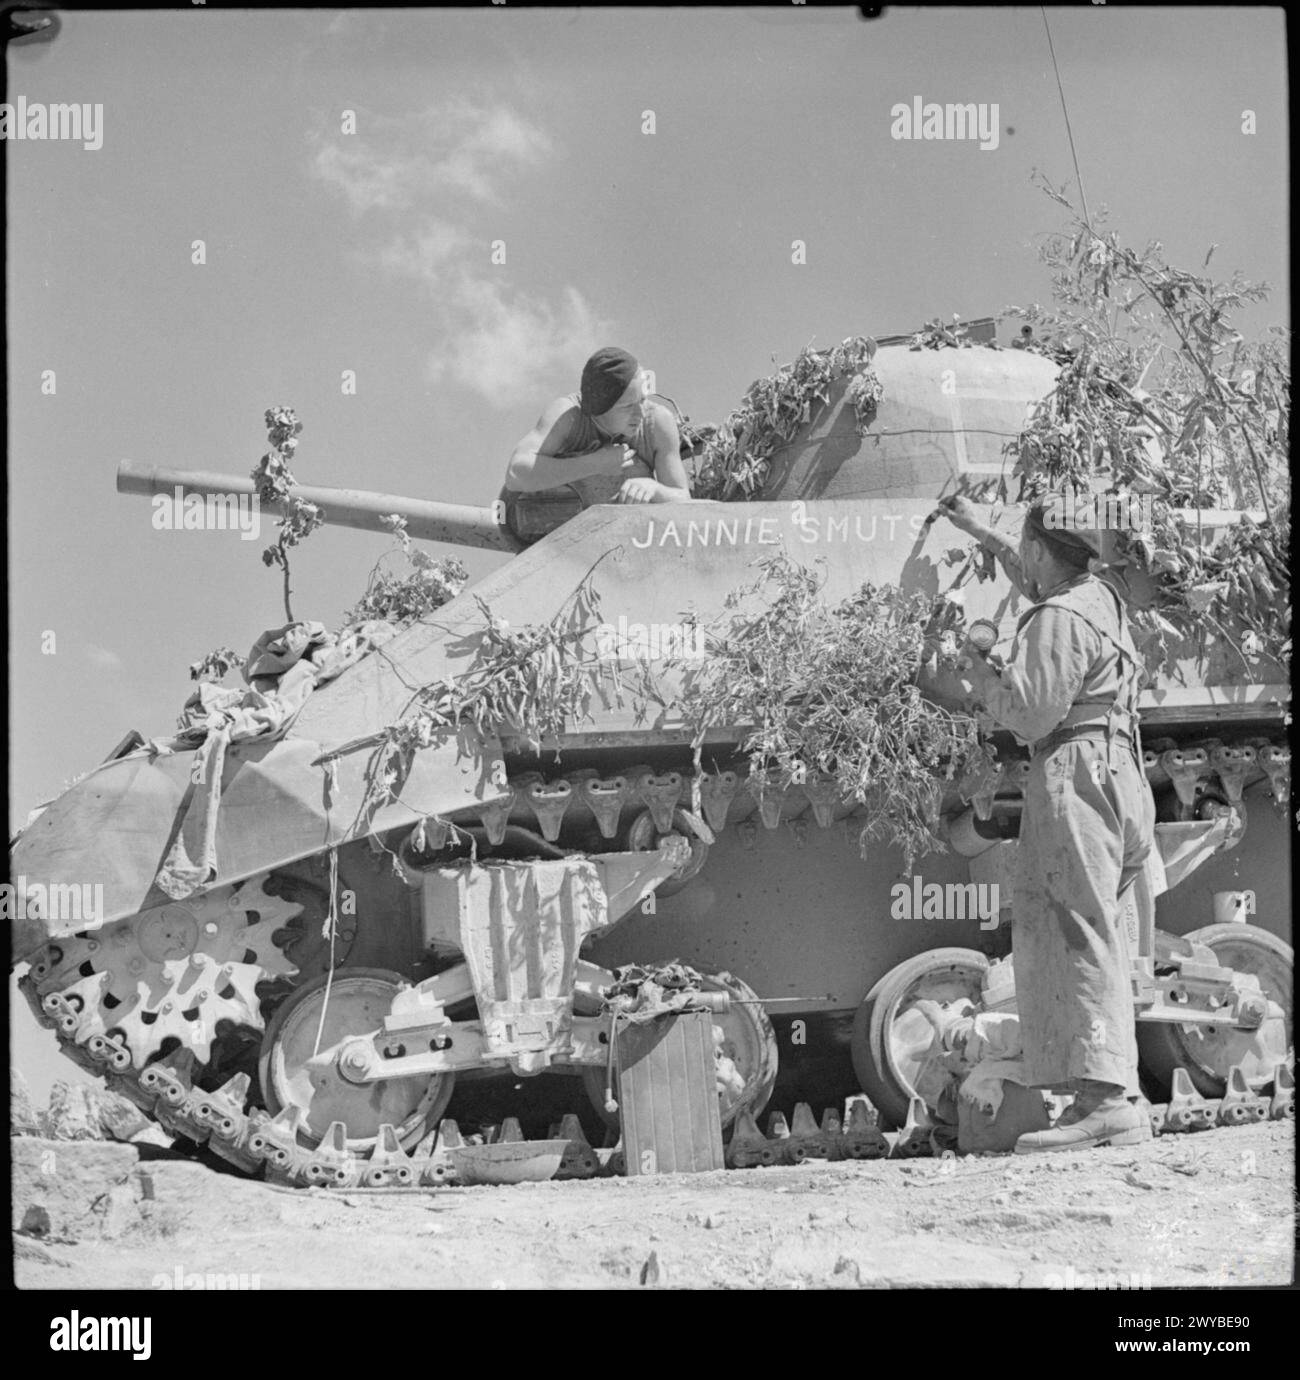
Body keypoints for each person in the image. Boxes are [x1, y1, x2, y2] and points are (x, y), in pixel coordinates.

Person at [933, 493, 1155, 1153]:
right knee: (1104, 938)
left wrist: (977, 667)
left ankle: (1104, 1103)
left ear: (1039, 551)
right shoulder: (1102, 599)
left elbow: (1030, 716)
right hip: (1121, 772)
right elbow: (1036, 570)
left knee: (1076, 937)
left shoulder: (1054, 617)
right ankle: (1121, 1094)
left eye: (1022, 549)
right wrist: (987, 532)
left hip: (1076, 777)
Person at [503, 346, 693, 509]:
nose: (641, 414)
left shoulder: (658, 422)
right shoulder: (568, 416)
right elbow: (516, 474)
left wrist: (654, 489)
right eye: (628, 406)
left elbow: (683, 499)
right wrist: (596, 463)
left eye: (643, 400)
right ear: (598, 409)